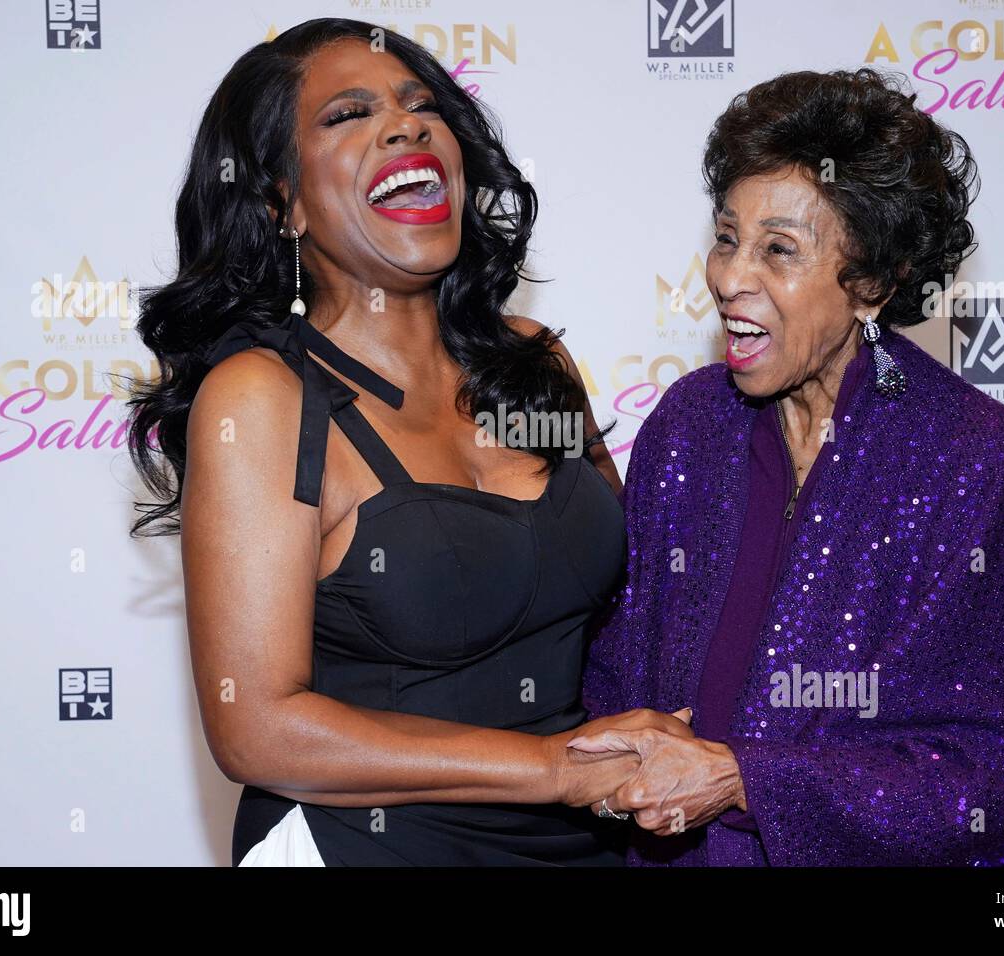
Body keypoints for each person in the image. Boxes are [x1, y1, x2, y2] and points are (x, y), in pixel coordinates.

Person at [125, 17, 689, 866]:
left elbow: (630, 615)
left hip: (587, 845)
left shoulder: (534, 362)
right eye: (346, 115)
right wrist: (548, 767)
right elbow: (257, 727)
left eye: (422, 105)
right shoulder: (264, 395)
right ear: (283, 202)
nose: (405, 124)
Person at [575, 68, 1004, 866]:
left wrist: (746, 779)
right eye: (726, 238)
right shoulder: (688, 426)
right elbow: (618, 672)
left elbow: (999, 777)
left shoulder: (977, 458)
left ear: (872, 284)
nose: (728, 277)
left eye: (778, 249)